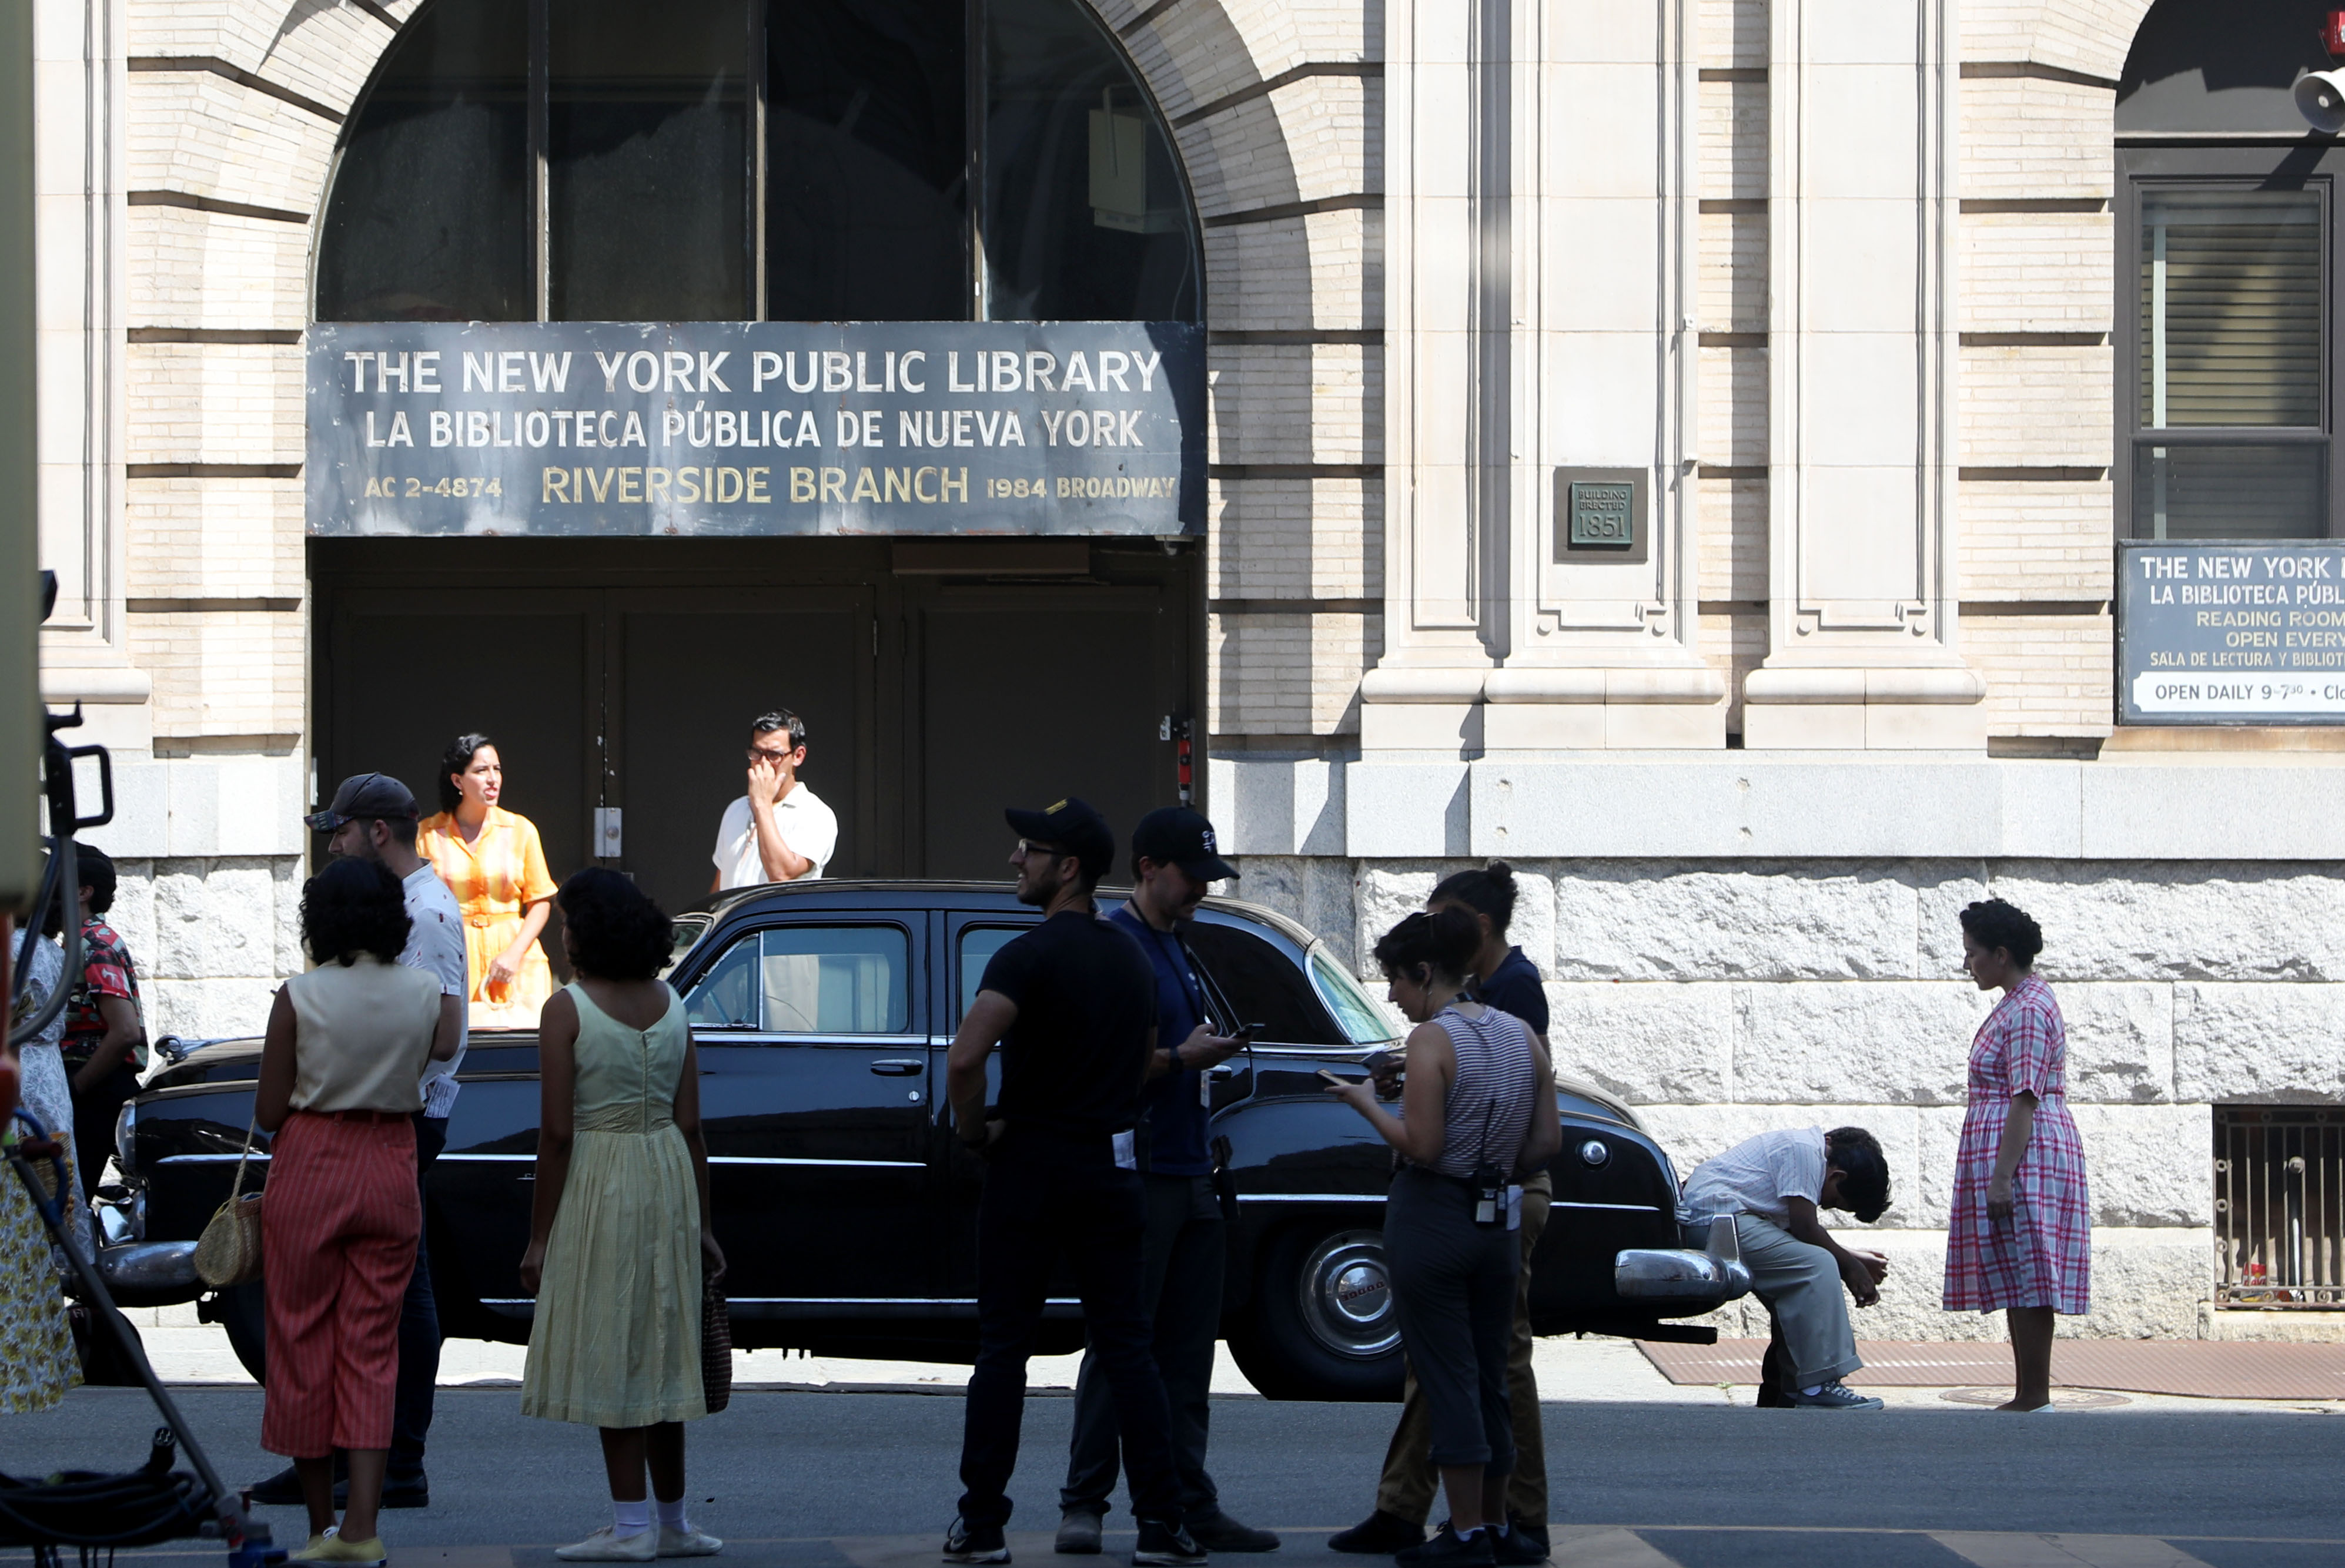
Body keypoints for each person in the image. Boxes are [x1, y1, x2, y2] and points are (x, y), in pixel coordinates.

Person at [943, 798, 1200, 1568]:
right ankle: (1161, 1526)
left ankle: (981, 1526)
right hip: (1109, 1167)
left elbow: (965, 1057)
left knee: (1004, 1349)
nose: (1015, 860)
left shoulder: (1023, 957)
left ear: (1068, 867)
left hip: (1028, 1165)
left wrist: (974, 1131)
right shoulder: (1131, 958)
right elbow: (1144, 1059)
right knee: (1127, 1347)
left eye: (1029, 849)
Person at [1056, 809, 1273, 1556]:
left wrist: (1197, 1055)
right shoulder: (1116, 944)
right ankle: (1083, 1502)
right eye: (1190, 876)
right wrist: (1183, 1058)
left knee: (1186, 1354)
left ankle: (1187, 1501)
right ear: (1147, 867)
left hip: (1189, 1167)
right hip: (1140, 1173)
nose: (1201, 890)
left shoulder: (1176, 941)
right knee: (1119, 1345)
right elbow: (1101, 1060)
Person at [254, 774, 467, 1513]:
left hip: (331, 1149)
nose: (334, 845)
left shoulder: (419, 916)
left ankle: (346, 1494)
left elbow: (271, 1108)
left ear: (377, 831)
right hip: (390, 1141)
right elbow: (433, 1029)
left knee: (310, 1330)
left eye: (340, 832)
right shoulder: (412, 971)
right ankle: (365, 1509)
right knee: (378, 1332)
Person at [1323, 909, 1560, 1568]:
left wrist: (1366, 1104)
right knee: (1491, 1374)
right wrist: (1497, 1164)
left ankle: (1464, 1530)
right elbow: (1547, 1141)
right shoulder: (1519, 1034)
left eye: (1396, 980)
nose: (1393, 994)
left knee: (1445, 1374)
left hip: (1433, 1215)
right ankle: (1497, 1522)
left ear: (1426, 973)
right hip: (1497, 1217)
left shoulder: (1431, 1039)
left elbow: (1422, 1145)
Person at [520, 869, 723, 1562]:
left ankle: (631, 1526)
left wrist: (539, 1236)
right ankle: (674, 1522)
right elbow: (691, 1125)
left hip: (600, 1178)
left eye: (567, 923)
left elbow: (556, 1134)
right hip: (666, 1174)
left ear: (587, 932)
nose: (562, 934)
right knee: (665, 1347)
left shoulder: (567, 1009)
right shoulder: (671, 1002)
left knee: (613, 1348)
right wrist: (702, 1223)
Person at [1945, 897, 2090, 1412]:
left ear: (2001, 954)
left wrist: (2002, 1176)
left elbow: (2024, 1096)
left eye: (1973, 953)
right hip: (2018, 1150)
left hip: (2028, 1155)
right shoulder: (2018, 1002)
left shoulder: (2027, 1009)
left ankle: (2034, 1394)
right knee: (2015, 1266)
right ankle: (2027, 1392)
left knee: (2030, 1270)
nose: (1967, 963)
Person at [1675, 1126, 1894, 1410]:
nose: (1826, 1206)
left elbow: (1794, 1235)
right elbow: (1805, 1228)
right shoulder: (1805, 1150)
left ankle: (1787, 1392)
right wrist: (1850, 1266)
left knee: (1797, 1290)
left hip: (1718, 1219)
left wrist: (1853, 1258)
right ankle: (1818, 1387)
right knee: (1816, 1267)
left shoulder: (1802, 1148)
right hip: (1717, 1221)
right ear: (1838, 1176)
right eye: (1835, 1202)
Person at [419, 733, 559, 1029]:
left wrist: (514, 954)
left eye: (497, 769)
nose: (493, 779)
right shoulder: (427, 835)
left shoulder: (520, 830)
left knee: (525, 1041)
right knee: (459, 1040)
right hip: (454, 956)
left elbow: (540, 901)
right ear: (458, 781)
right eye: (482, 771)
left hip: (517, 957)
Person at [61, 847, 143, 1195]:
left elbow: (125, 1031)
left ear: (84, 892)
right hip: (93, 1089)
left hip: (96, 1090)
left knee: (69, 1201)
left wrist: (76, 1088)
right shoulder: (79, 943)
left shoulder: (94, 945)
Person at [708, 710, 838, 892]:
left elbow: (782, 875)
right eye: (756, 753)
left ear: (798, 756)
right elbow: (720, 886)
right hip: (738, 911)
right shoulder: (736, 809)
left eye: (774, 755)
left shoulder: (816, 813)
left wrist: (763, 805)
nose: (764, 763)